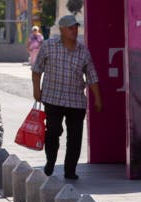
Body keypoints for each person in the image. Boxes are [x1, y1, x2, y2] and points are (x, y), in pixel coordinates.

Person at [31, 14, 101, 180]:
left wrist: (98, 98)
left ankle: (70, 170)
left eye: (76, 27)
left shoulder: (83, 51)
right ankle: (50, 161)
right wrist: (36, 90)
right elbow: (36, 70)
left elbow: (92, 76)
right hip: (53, 98)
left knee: (75, 137)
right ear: (62, 30)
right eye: (71, 28)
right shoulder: (48, 46)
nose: (74, 30)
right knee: (53, 131)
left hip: (76, 101)